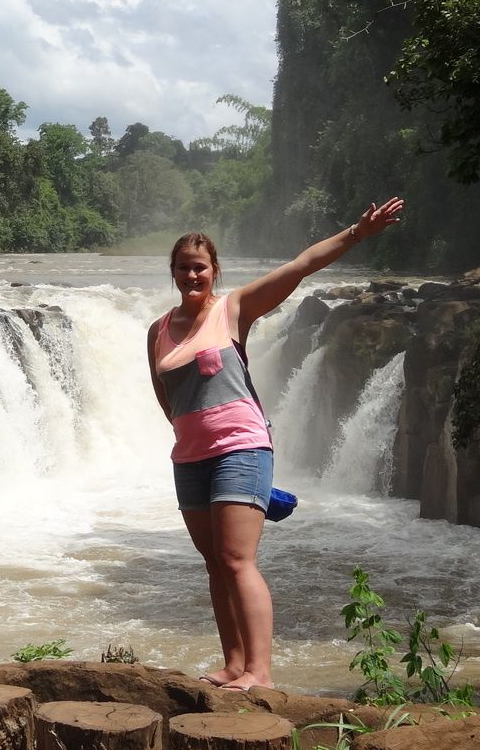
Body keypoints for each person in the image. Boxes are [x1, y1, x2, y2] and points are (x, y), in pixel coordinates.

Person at [147, 198, 404, 691]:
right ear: (173, 272)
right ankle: (232, 664)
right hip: (191, 456)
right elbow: (167, 398)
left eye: (199, 267)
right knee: (215, 563)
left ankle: (259, 673)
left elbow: (300, 267)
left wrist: (357, 232)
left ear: (213, 270)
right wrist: (189, 435)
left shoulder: (234, 309)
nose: (191, 276)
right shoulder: (157, 330)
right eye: (183, 268)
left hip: (241, 447)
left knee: (237, 559)